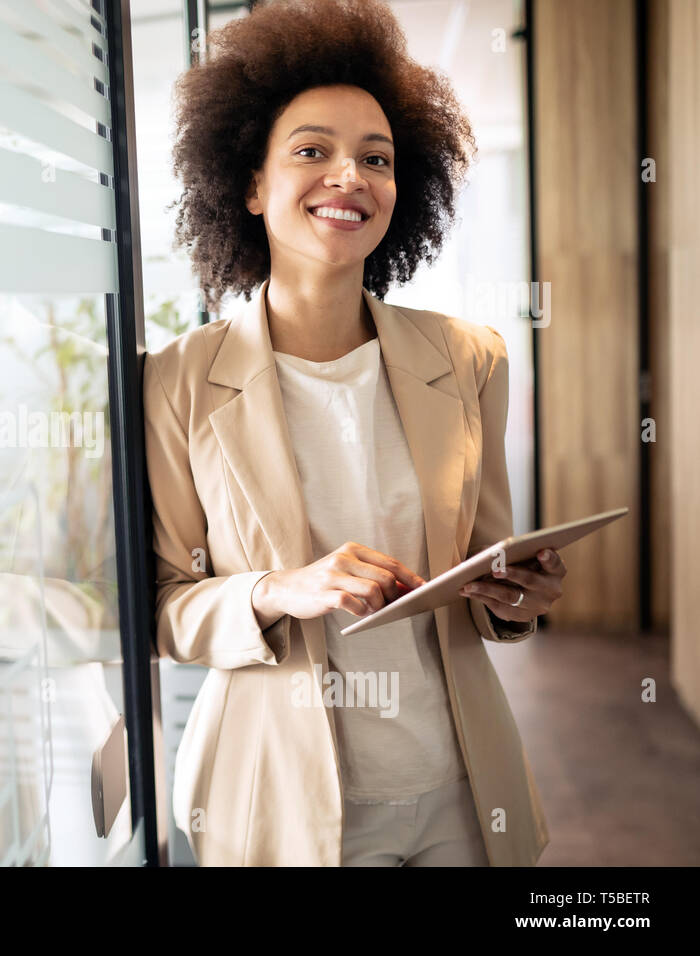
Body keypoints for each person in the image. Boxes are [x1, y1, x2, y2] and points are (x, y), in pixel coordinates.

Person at [145, 0, 567, 866]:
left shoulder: (468, 359)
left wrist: (519, 597)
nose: (350, 176)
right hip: (287, 803)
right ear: (251, 185)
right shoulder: (177, 380)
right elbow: (161, 609)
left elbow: (488, 575)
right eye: (312, 151)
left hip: (460, 784)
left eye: (376, 158)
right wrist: (278, 589)